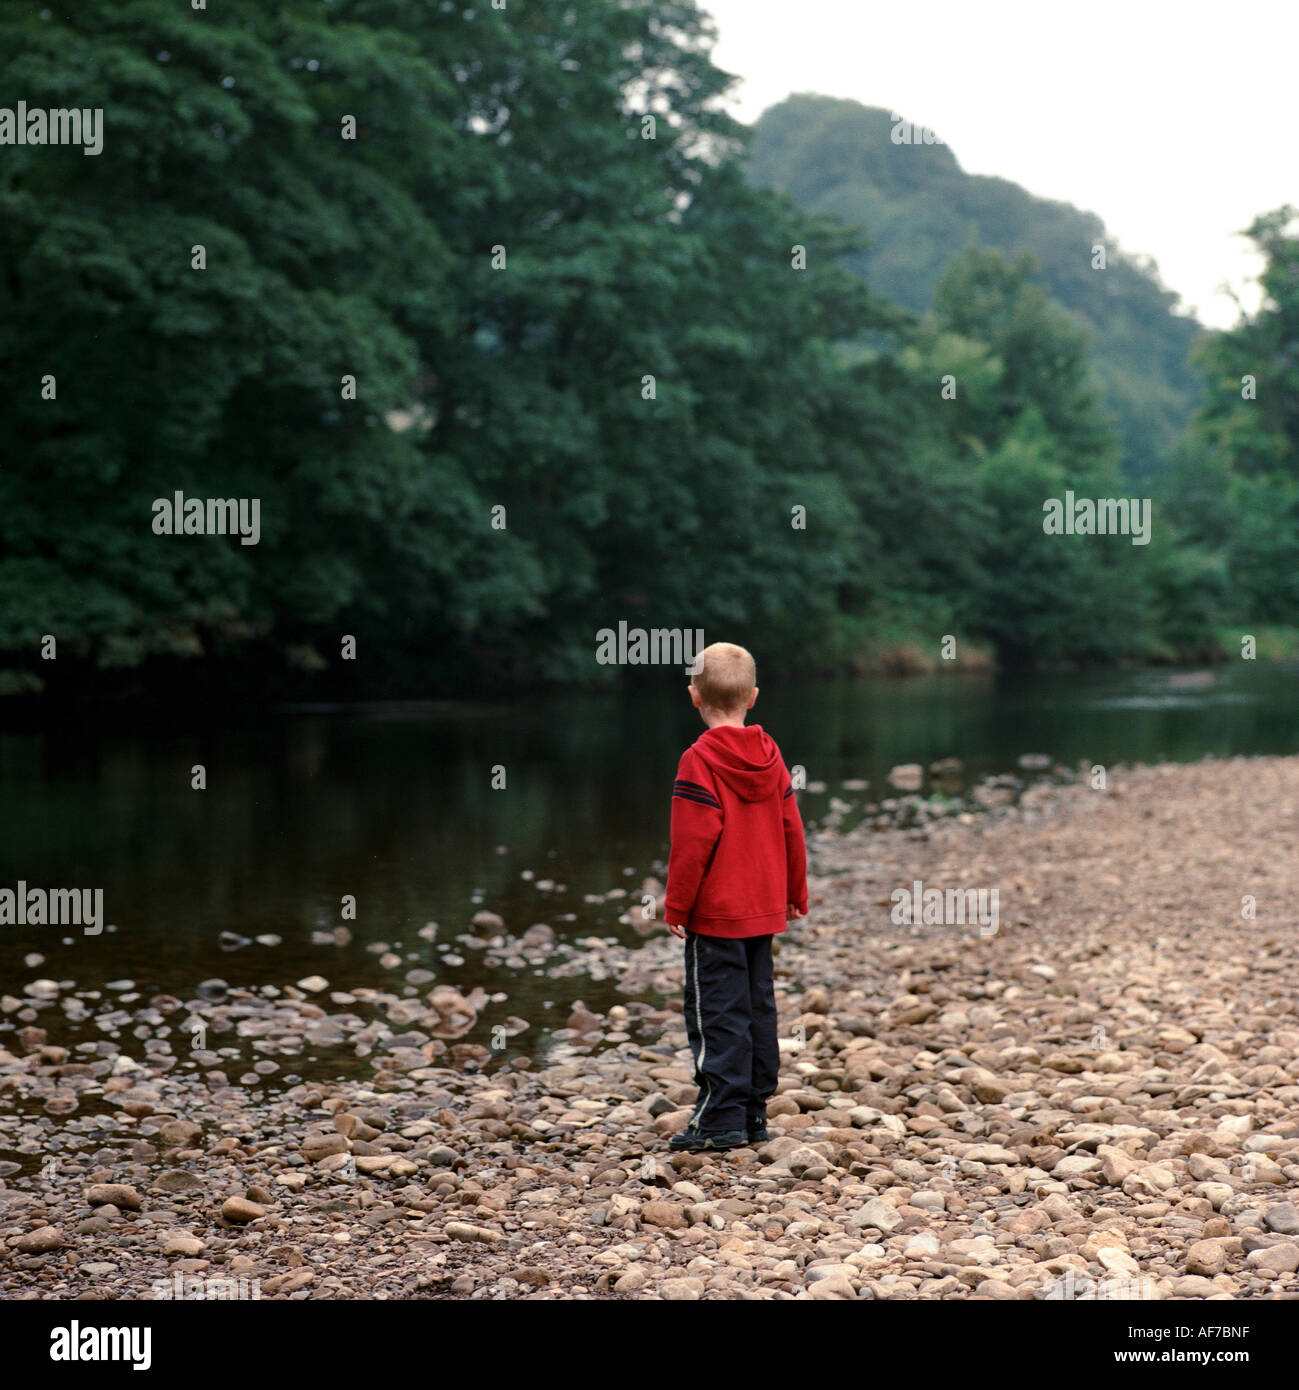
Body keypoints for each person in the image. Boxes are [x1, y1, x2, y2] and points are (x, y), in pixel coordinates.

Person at [663, 642, 807, 1151]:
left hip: (716, 914)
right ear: (753, 698)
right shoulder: (770, 756)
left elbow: (692, 843)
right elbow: (792, 827)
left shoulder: (697, 760)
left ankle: (719, 1120)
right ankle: (753, 1116)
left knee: (717, 1013)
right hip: (762, 910)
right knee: (756, 1009)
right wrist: (794, 890)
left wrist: (676, 905)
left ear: (693, 696)